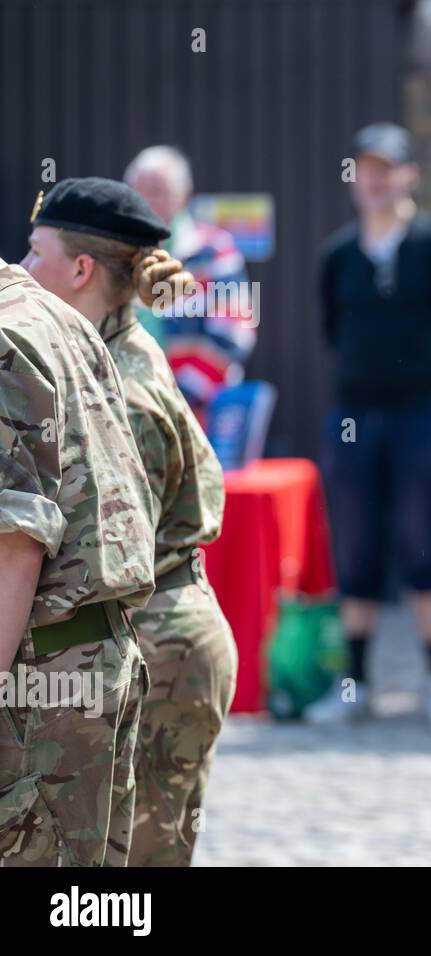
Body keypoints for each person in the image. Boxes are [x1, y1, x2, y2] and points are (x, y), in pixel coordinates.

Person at [23, 178, 237, 866]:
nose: (21, 273)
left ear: (80, 269)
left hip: (158, 645)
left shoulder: (124, 390)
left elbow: (114, 558)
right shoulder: (99, 357)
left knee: (138, 871)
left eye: (33, 254)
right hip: (150, 639)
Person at [310, 122, 431, 728]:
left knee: (420, 540)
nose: (375, 181)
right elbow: (333, 330)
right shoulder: (337, 255)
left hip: (422, 414)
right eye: (364, 169)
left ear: (409, 175)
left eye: (387, 169)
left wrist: (424, 381)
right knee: (354, 544)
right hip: (355, 416)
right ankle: (354, 686)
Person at [0, 232, 156, 866]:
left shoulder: (7, 337)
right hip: (94, 657)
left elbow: (15, 544)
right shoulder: (56, 316)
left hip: (37, 678)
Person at [125, 146, 255, 425]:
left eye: (156, 190)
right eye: (137, 190)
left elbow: (235, 334)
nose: (144, 200)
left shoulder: (213, 251)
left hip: (199, 413)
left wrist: (180, 396)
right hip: (129, 413)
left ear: (183, 196)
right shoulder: (117, 254)